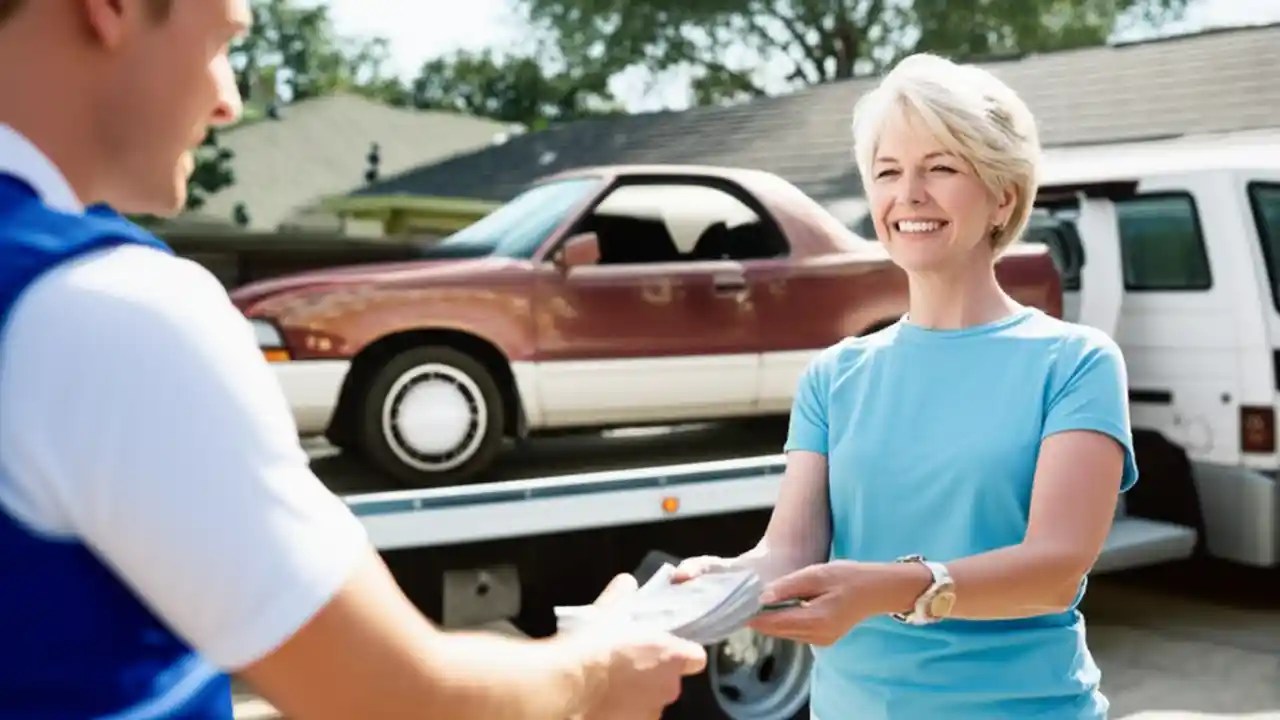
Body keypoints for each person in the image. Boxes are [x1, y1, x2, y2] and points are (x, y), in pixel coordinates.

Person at [0, 1, 705, 718]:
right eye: (218, 42)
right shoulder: (104, 305)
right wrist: (600, 670)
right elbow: (400, 701)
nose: (228, 102)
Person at [675, 52, 1138, 719]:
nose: (908, 194)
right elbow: (790, 551)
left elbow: (1055, 568)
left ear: (1003, 196)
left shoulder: (1075, 362)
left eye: (941, 168)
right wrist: (714, 584)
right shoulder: (835, 375)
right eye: (888, 172)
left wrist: (890, 588)